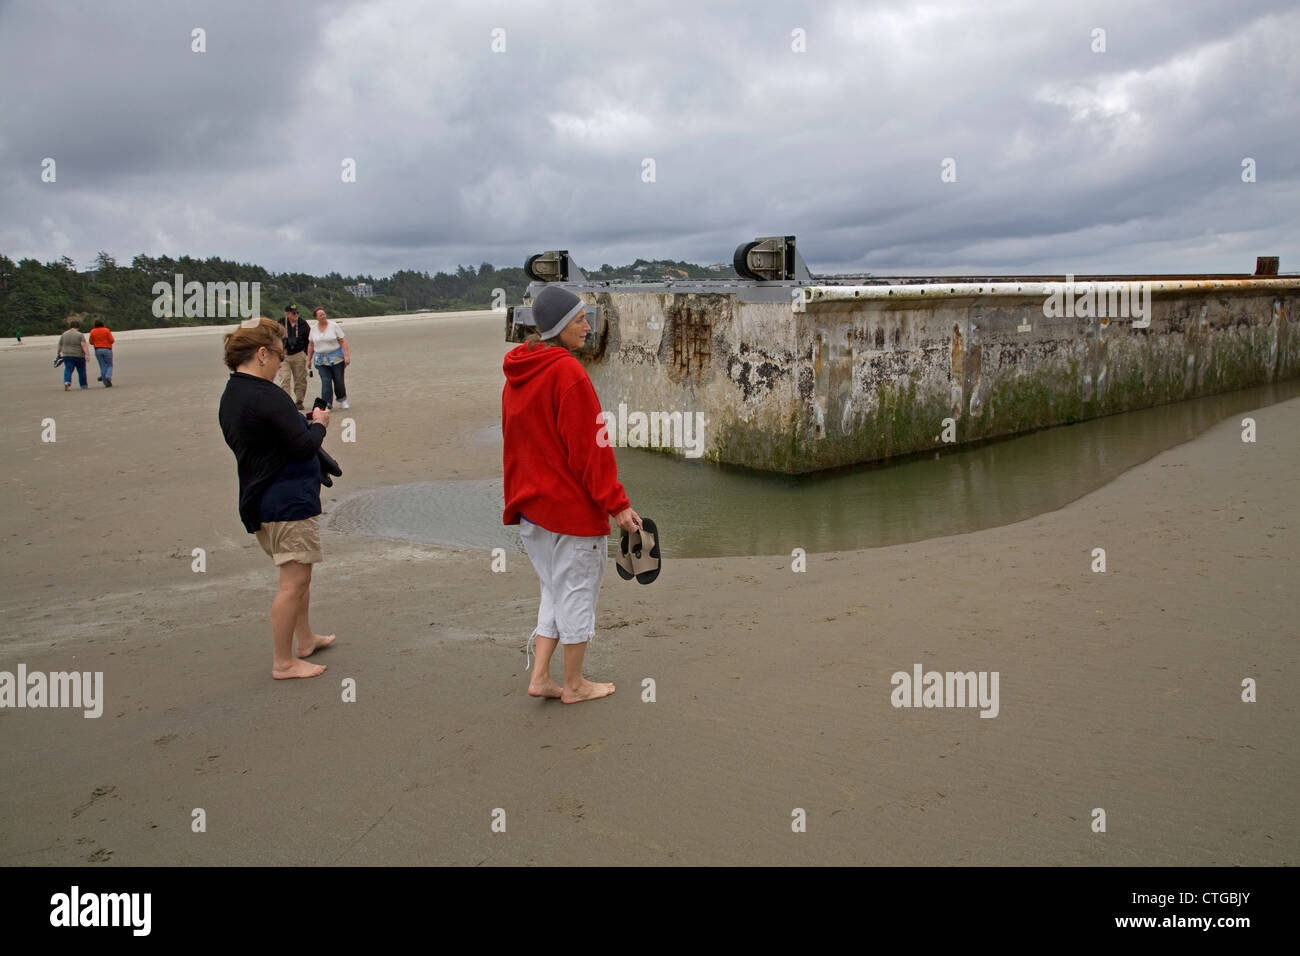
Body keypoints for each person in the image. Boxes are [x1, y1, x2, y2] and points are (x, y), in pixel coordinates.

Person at [502, 285, 641, 704]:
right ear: (560, 327)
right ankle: (575, 684)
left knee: (554, 591)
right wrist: (617, 504)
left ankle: (542, 677)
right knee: (577, 592)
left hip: (531, 511)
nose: (587, 325)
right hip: (569, 512)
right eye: (579, 319)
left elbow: (515, 444)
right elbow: (591, 450)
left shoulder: (517, 373)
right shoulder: (568, 373)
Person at [218, 317, 337, 680]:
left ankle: (305, 639)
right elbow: (303, 447)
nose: (281, 362)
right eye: (279, 355)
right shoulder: (265, 395)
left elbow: (267, 438)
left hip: (262, 498)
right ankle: (283, 661)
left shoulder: (234, 393)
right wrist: (319, 424)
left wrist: (300, 422)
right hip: (284, 502)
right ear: (261, 353)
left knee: (301, 575)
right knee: (293, 582)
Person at [305, 308, 350, 410]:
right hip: (321, 360)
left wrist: (346, 355)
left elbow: (342, 341)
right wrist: (308, 359)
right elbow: (311, 345)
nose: (323, 316)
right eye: (320, 315)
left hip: (336, 358)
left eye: (324, 314)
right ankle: (327, 403)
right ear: (316, 317)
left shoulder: (334, 326)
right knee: (326, 381)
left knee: (339, 381)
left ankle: (342, 400)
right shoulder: (313, 329)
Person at [277, 303, 310, 409]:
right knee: (285, 378)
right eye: (293, 313)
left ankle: (299, 401)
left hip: (299, 354)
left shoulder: (303, 323)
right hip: (284, 355)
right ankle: (286, 402)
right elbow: (274, 338)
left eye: (297, 313)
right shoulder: (280, 323)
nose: (296, 315)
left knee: (300, 379)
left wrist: (307, 355)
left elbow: (309, 340)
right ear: (287, 314)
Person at [57, 319, 89, 390]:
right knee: (81, 370)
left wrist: (58, 353)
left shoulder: (64, 334)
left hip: (66, 355)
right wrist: (87, 354)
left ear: (70, 326)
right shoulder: (80, 334)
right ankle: (83, 385)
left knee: (68, 369)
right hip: (79, 355)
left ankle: (67, 382)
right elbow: (83, 345)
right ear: (78, 327)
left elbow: (60, 345)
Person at [88, 319, 115, 387]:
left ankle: (106, 383)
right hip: (107, 349)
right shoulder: (106, 330)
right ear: (103, 324)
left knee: (102, 366)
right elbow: (112, 340)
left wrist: (96, 342)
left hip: (98, 349)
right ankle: (108, 375)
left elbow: (91, 342)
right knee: (109, 365)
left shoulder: (93, 331)